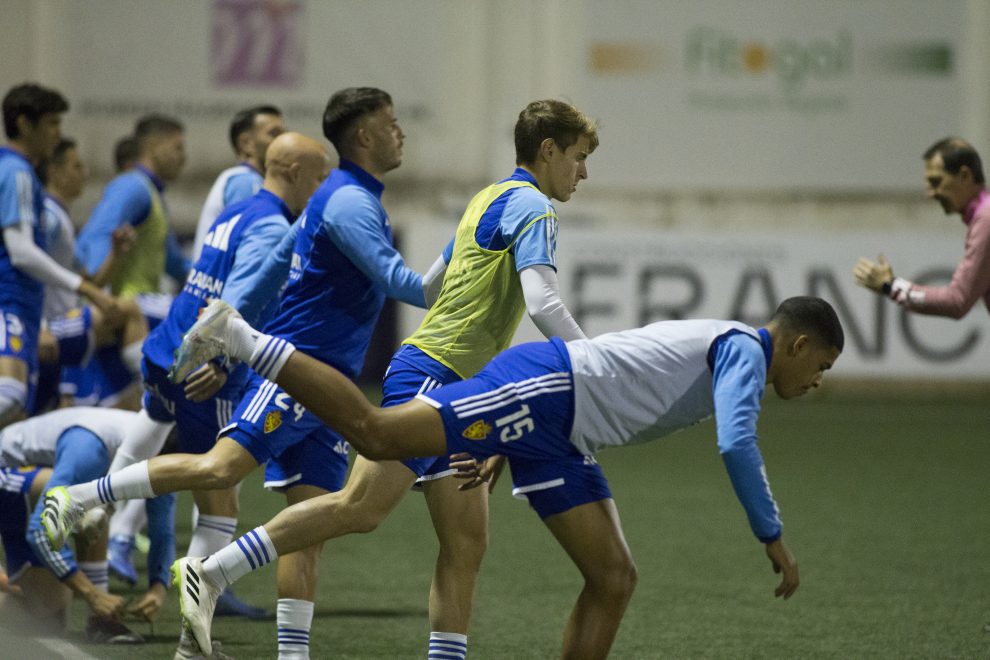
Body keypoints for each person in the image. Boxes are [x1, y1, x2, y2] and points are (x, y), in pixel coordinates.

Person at [150, 294, 843, 659]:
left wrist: (505, 443)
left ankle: (217, 571)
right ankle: (241, 338)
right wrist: (773, 536)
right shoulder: (748, 351)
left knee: (613, 577)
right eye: (821, 367)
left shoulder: (733, 345)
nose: (817, 382)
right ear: (798, 342)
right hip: (543, 392)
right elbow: (735, 443)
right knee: (375, 433)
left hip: (562, 432)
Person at [45, 87, 430, 660]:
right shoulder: (349, 201)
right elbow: (404, 283)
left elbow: (268, 273)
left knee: (309, 527)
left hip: (327, 379)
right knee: (219, 471)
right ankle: (83, 498)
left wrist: (219, 330)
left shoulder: (322, 200)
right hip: (299, 371)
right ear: (365, 137)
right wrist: (465, 262)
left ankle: (256, 650)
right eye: (392, 124)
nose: (402, 133)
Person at [70, 131, 330, 659]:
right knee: (221, 490)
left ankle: (97, 507)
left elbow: (199, 281)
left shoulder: (235, 211)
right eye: (320, 175)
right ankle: (191, 636)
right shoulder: (269, 224)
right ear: (296, 171)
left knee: (155, 430)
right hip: (202, 365)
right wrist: (221, 357)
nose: (324, 186)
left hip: (168, 349)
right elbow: (238, 299)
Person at [0, 407, 176, 643]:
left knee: (49, 623)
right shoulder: (90, 448)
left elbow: (163, 529)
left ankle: (99, 619)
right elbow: (42, 529)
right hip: (9, 474)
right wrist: (92, 595)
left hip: (28, 487)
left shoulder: (160, 444)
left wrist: (158, 589)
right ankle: (99, 616)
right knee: (92, 499)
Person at [1, 83, 117, 428]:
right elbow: (21, 252)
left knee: (18, 418)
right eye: (51, 123)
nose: (58, 133)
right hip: (10, 303)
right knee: (10, 398)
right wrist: (88, 288)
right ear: (24, 124)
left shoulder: (18, 173)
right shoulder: (17, 172)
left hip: (25, 308)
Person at [32, 138, 149, 414]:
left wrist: (116, 255)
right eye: (76, 166)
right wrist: (36, 327)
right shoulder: (48, 217)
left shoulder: (60, 218)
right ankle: (157, 393)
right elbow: (26, 268)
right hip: (48, 329)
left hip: (65, 324)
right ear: (55, 172)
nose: (85, 173)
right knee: (130, 310)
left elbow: (88, 284)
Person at [854, 137, 990, 319]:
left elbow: (957, 300)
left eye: (936, 182)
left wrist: (891, 286)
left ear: (964, 175)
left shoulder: (986, 219)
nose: (930, 193)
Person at [75, 114, 190, 299]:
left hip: (143, 309)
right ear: (153, 145)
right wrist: (95, 289)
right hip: (125, 308)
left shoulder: (153, 193)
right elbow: (98, 234)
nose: (183, 158)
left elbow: (173, 262)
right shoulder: (132, 185)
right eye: (177, 148)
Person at [192, 105, 286, 260]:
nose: (284, 142)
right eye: (275, 134)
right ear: (246, 143)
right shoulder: (246, 183)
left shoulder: (241, 179)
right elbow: (247, 254)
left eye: (284, 134)